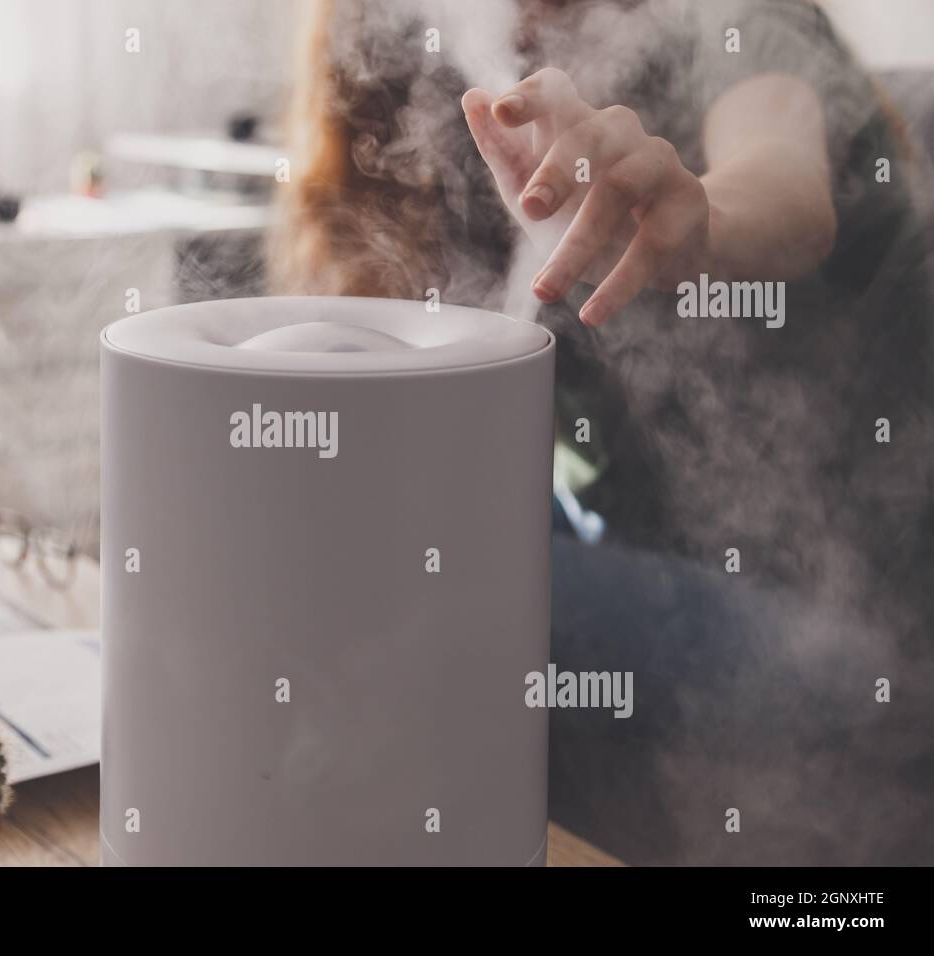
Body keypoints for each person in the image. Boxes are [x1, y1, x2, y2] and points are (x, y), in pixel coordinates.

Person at [273, 0, 934, 864]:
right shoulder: (462, 113)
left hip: (863, 629)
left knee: (428, 595)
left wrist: (698, 219)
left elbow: (784, 183)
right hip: (661, 564)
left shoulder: (732, 24)